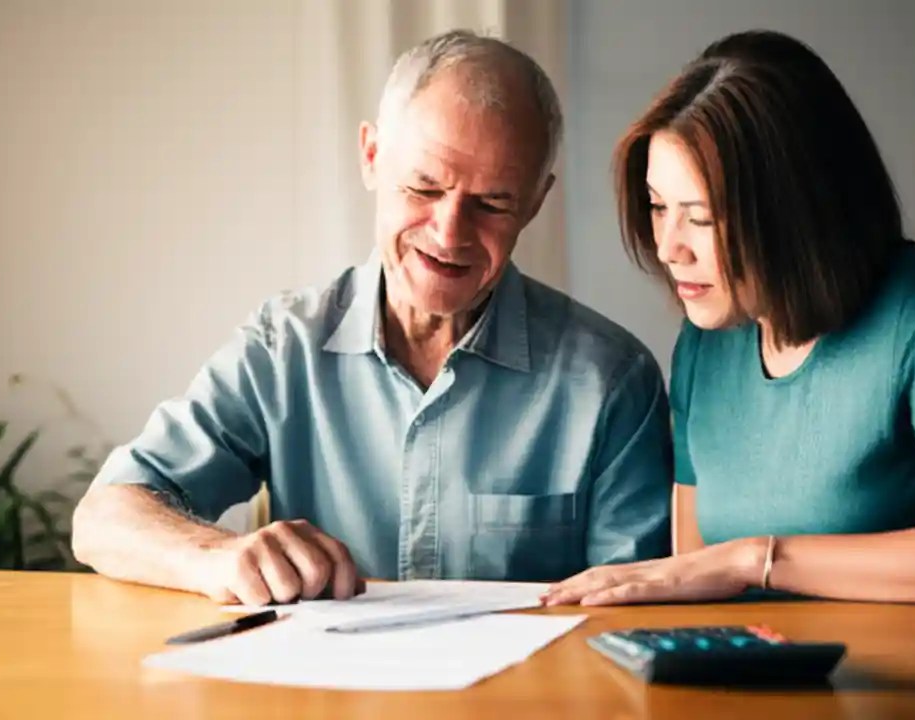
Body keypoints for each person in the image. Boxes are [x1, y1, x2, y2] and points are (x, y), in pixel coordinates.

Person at [71, 30, 673, 606]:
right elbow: (104, 518)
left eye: (492, 203)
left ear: (536, 203)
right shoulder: (284, 348)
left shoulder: (612, 380)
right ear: (372, 156)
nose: (449, 233)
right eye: (423, 187)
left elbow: (626, 616)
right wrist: (218, 558)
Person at [543, 30, 915, 607]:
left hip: (903, 686)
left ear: (794, 211)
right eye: (657, 206)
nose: (668, 248)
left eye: (701, 217)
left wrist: (759, 559)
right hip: (750, 680)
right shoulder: (703, 346)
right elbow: (695, 577)